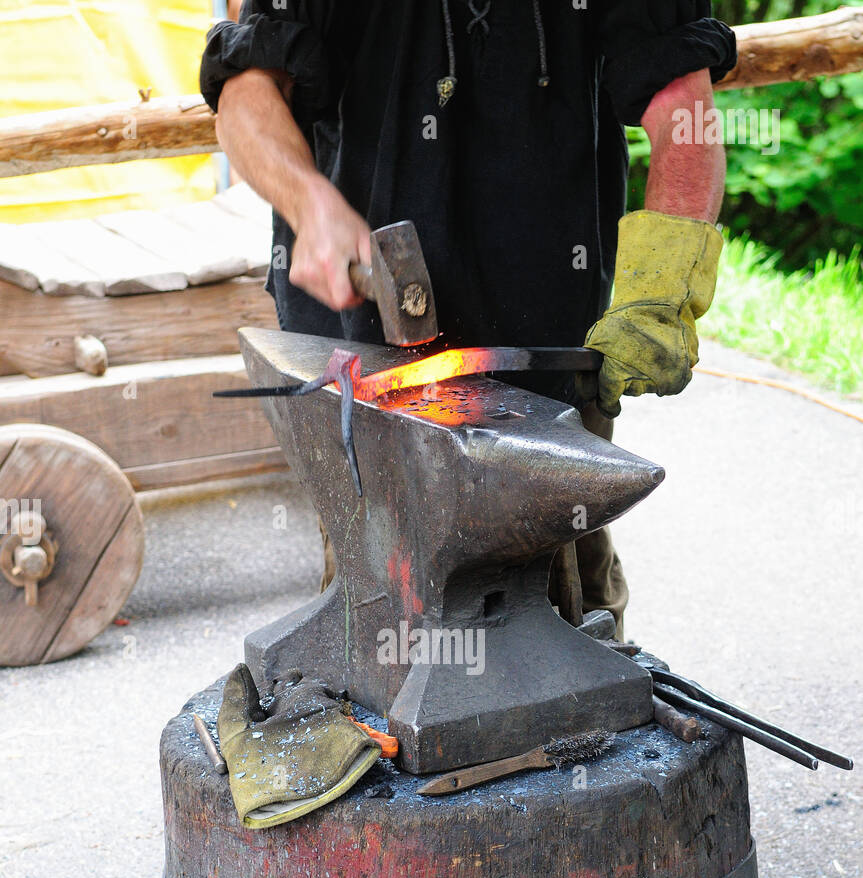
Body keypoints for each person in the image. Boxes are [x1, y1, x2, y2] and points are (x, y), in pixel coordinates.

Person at [200, 1, 736, 635]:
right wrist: (308, 201)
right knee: (380, 623)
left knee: (575, 633)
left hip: (557, 358)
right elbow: (246, 89)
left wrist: (665, 286)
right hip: (367, 369)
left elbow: (684, 108)